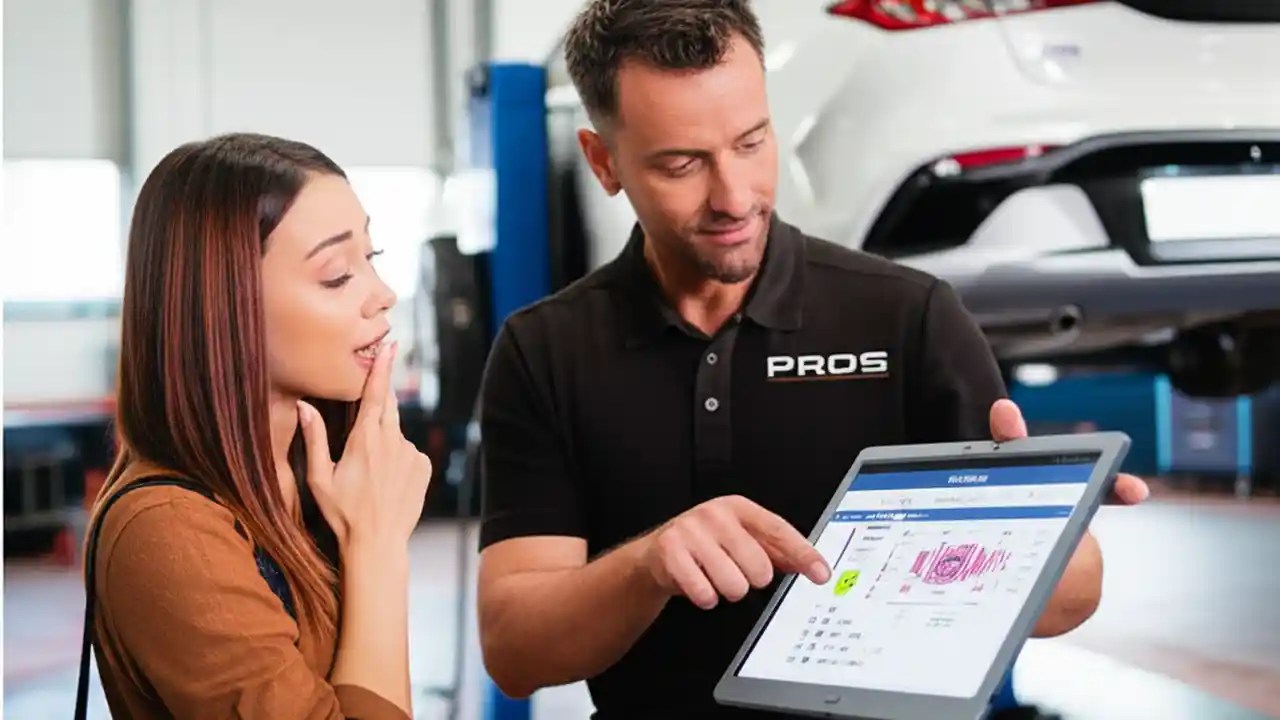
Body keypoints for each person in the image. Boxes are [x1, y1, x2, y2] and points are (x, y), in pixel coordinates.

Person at [474, 2, 1151, 719]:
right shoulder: (545, 349)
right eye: (682, 164)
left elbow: (1072, 599)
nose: (734, 197)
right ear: (604, 162)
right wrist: (648, 566)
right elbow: (515, 653)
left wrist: (1037, 529)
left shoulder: (909, 317)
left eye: (751, 142)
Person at [85, 133, 432, 720]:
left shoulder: (311, 475)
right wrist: (377, 548)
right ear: (225, 303)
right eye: (337, 276)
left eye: (371, 258)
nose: (384, 295)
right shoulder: (169, 529)